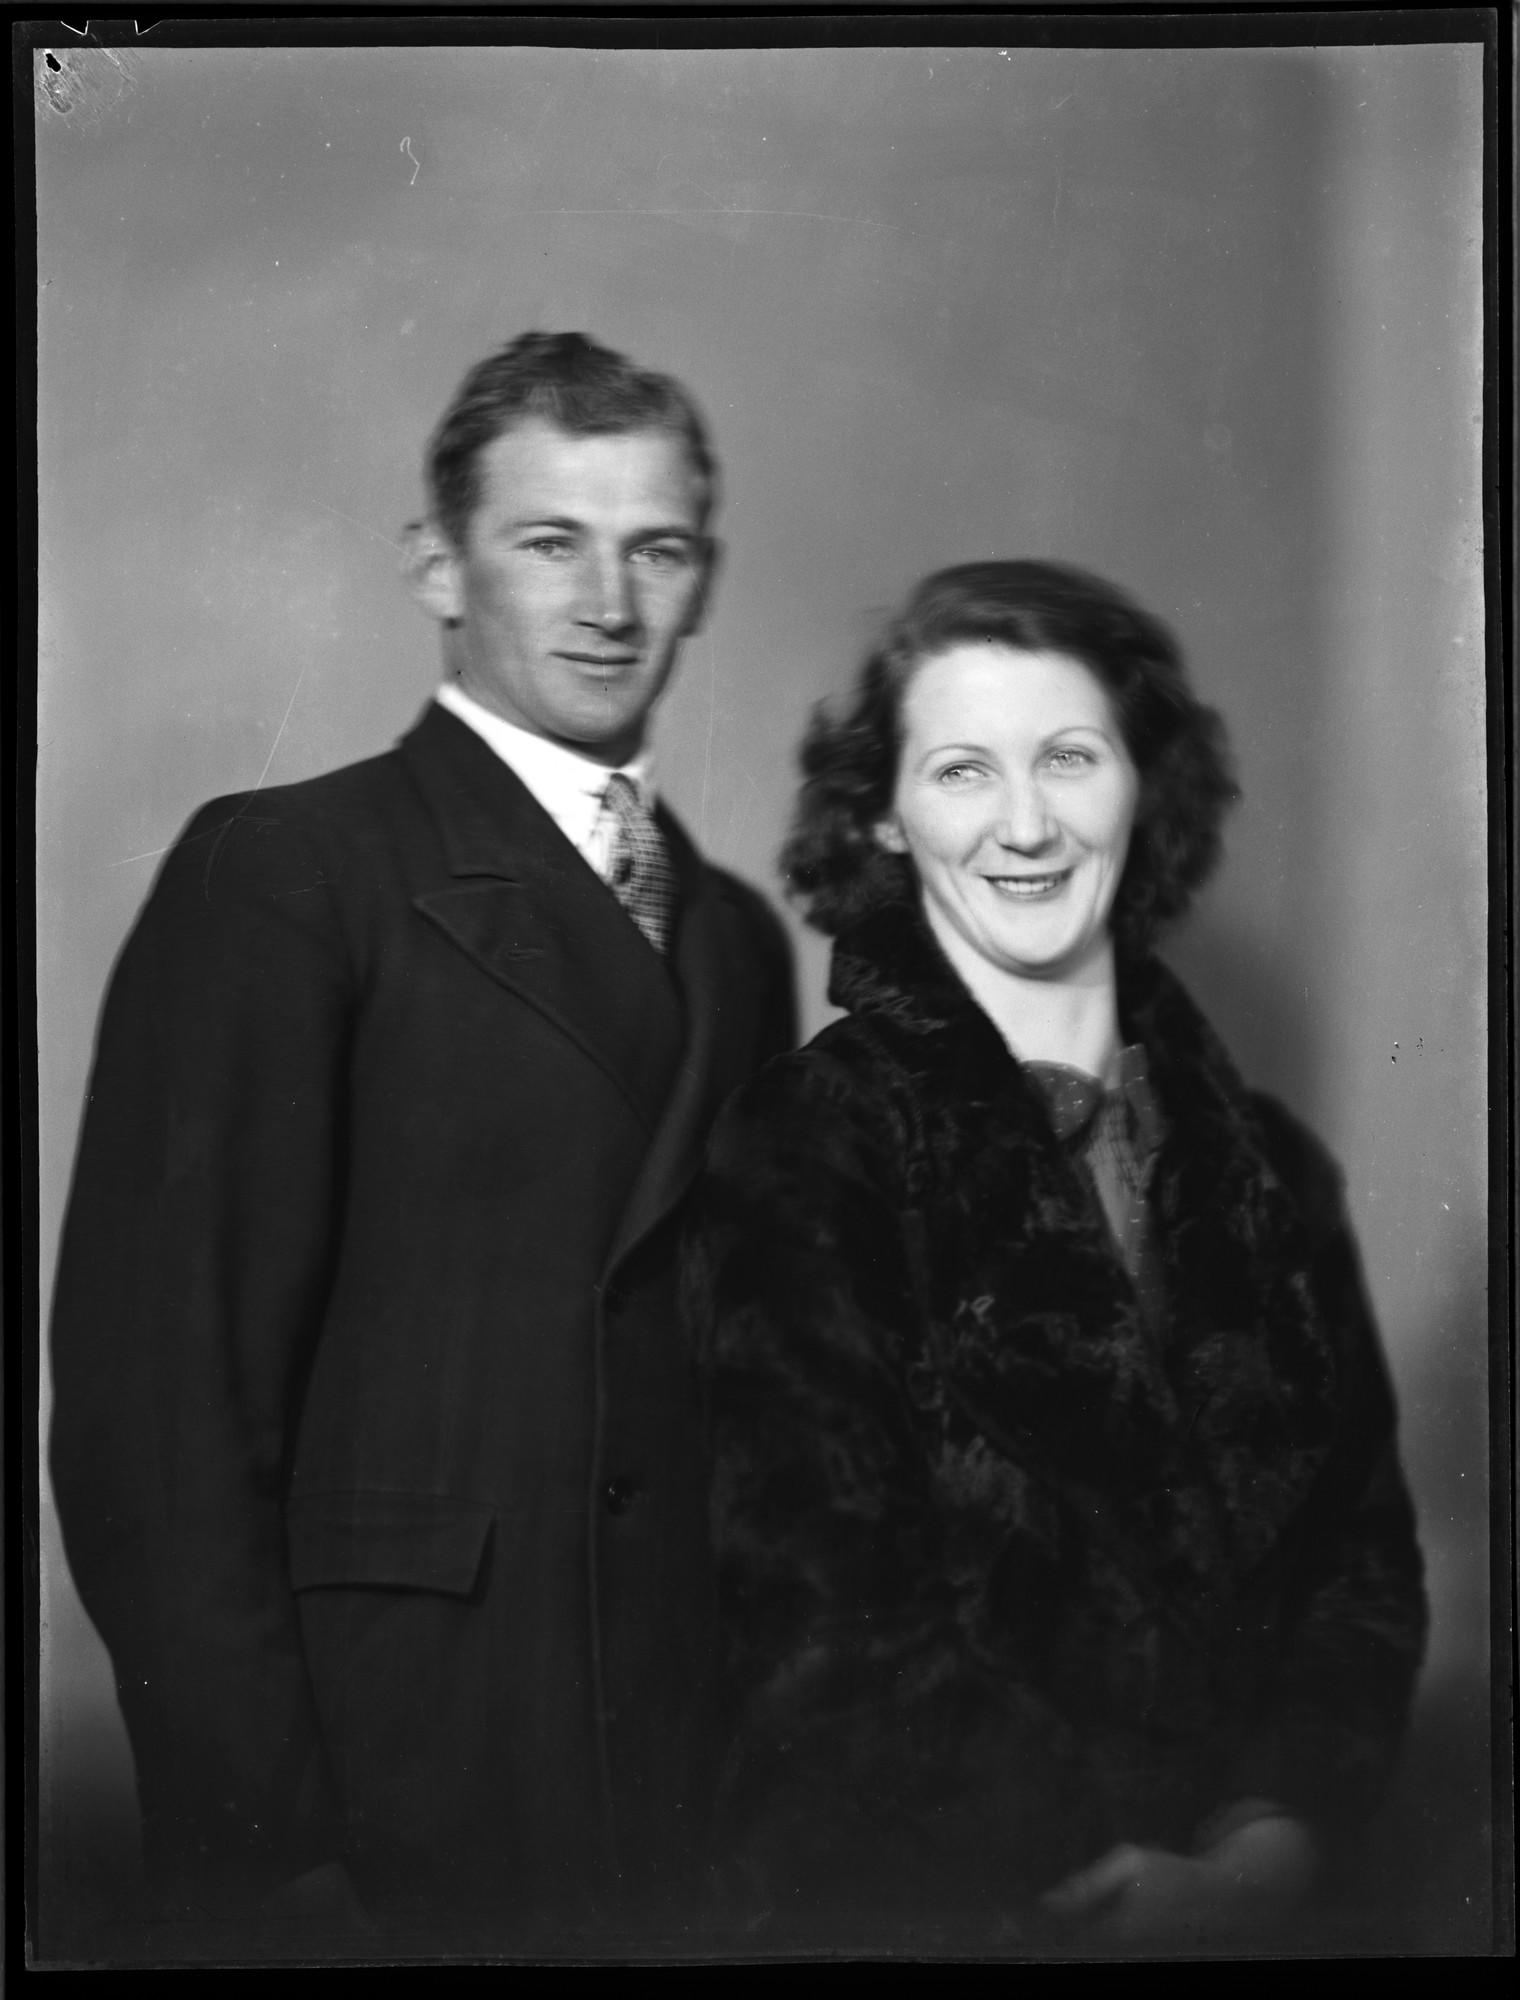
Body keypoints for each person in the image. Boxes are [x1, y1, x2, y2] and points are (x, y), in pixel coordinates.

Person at [49, 331, 795, 1952]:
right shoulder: (292, 871)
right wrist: (267, 1845)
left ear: (703, 579)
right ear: (438, 566)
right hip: (404, 1758)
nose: (609, 600)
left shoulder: (736, 936)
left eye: (653, 549)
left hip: (688, 1755)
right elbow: (157, 1414)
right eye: (549, 541)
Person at [690, 560, 1427, 1954]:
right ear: (884, 818)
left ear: (1143, 789)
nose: (1024, 825)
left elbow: (1363, 1575)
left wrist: (1269, 1851)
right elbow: (830, 1628)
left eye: (1069, 759)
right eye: (963, 769)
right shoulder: (807, 1146)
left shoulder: (1271, 1165)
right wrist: (1113, 1877)